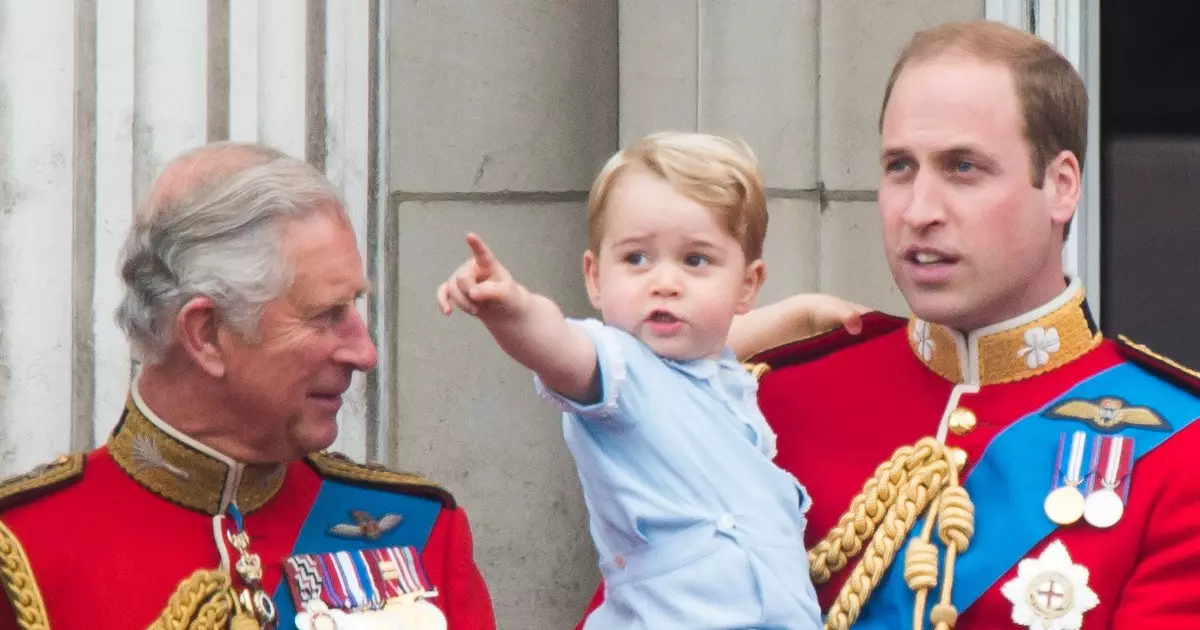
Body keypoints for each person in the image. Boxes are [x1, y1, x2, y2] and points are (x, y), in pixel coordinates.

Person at [580, 20, 1200, 630]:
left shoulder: (1178, 447)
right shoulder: (759, 401)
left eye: (963, 168)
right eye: (900, 167)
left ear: (1061, 186)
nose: (919, 211)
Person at [0, 143, 496, 629]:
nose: (364, 353)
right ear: (207, 334)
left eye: (353, 306)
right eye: (327, 315)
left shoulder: (420, 531)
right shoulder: (26, 549)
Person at [438, 132, 824, 629]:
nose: (664, 281)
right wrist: (510, 310)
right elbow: (555, 345)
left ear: (747, 285)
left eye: (695, 260)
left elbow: (727, 341)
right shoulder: (617, 369)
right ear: (595, 278)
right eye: (636, 258)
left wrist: (805, 313)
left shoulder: (717, 373)